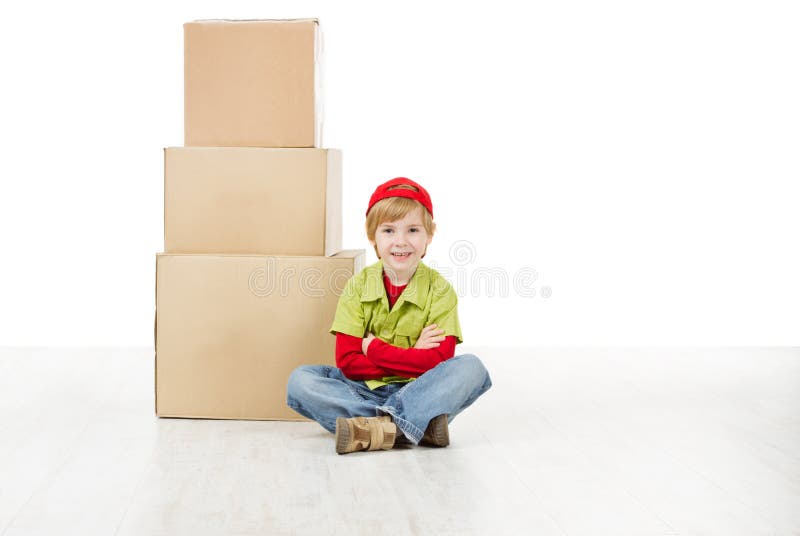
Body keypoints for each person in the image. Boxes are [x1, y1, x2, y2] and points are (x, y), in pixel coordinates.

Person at [286, 177, 492, 454]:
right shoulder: (357, 287)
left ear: (429, 235)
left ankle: (376, 429)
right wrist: (413, 356)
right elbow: (348, 363)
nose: (401, 241)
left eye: (413, 230)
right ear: (373, 236)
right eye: (389, 230)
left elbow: (439, 361)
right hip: (362, 388)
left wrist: (373, 349)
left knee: (471, 368)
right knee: (301, 380)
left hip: (420, 389)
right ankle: (416, 425)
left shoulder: (440, 291)